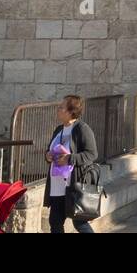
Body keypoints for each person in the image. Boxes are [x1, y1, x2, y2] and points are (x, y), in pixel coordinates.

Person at [43, 94, 99, 233]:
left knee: (79, 223)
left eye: (61, 107)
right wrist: (48, 155)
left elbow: (92, 154)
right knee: (55, 223)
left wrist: (69, 158)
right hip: (57, 185)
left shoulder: (82, 129)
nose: (58, 109)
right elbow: (50, 149)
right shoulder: (58, 129)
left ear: (70, 111)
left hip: (73, 185)